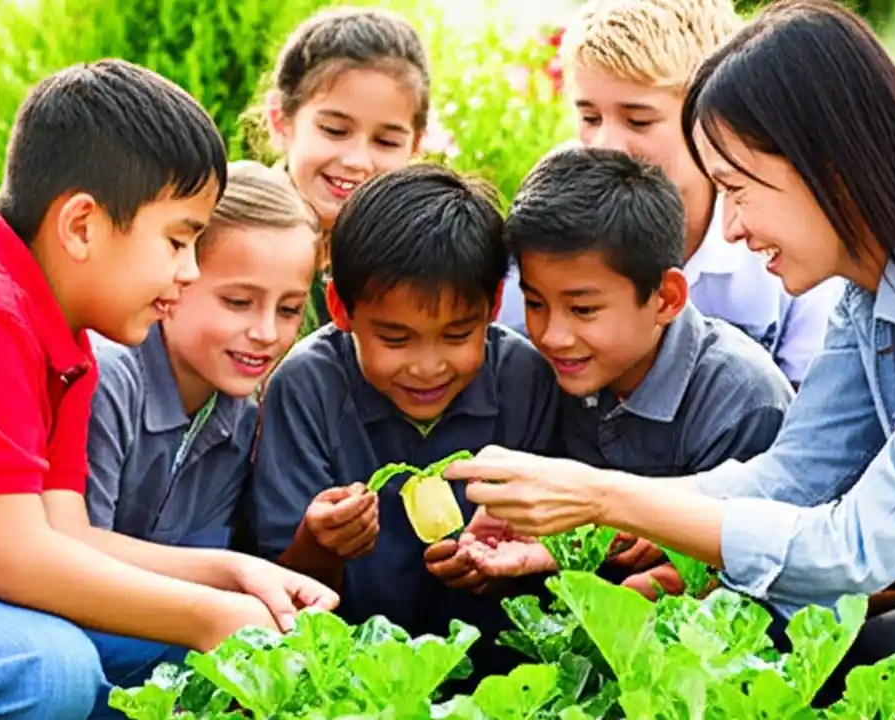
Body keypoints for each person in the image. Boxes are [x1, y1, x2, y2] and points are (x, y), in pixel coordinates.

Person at [444, 1, 895, 717]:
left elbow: (856, 550)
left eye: (738, 190)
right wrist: (570, 523)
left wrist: (602, 496)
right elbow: (791, 478)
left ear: (829, 165)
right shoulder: (875, 283)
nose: (733, 226)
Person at [0, 60, 335, 720]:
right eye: (177, 240)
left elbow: (66, 538)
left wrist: (233, 576)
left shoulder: (65, 342)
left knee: (163, 649)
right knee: (46, 670)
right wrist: (206, 615)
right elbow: (15, 564)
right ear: (81, 226)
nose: (188, 270)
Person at [246, 163, 559, 680]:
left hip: (499, 680)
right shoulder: (307, 387)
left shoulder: (525, 380)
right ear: (340, 310)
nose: (427, 366)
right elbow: (281, 585)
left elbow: (555, 557)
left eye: (458, 335)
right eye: (396, 339)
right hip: (347, 681)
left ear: (493, 307)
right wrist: (319, 544)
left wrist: (499, 571)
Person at [482, 145, 791, 596]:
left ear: (665, 298)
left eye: (583, 309)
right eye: (534, 303)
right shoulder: (536, 368)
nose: (552, 335)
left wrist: (676, 582)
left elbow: (760, 563)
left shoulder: (741, 400)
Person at [495, 0, 842, 386]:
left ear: (712, 117)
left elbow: (813, 403)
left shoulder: (775, 226)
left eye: (639, 121)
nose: (606, 144)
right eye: (590, 117)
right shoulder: (553, 204)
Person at [86, 161, 319, 550]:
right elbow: (77, 556)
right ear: (176, 278)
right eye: (238, 302)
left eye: (289, 309)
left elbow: (199, 561)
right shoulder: (109, 380)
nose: (265, 333)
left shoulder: (240, 416)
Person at [261, 6, 431, 330]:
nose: (357, 161)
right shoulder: (228, 235)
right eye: (335, 131)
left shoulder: (414, 261)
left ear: (416, 145)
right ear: (280, 120)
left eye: (386, 142)